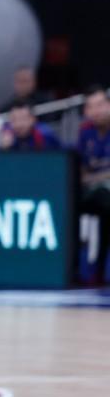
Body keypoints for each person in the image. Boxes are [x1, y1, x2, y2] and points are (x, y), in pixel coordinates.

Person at [77, 87, 110, 282]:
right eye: (91, 106)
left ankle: (100, 268)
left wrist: (95, 177)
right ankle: (74, 269)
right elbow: (79, 167)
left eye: (101, 105)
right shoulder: (85, 131)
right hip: (91, 191)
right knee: (69, 204)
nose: (96, 111)